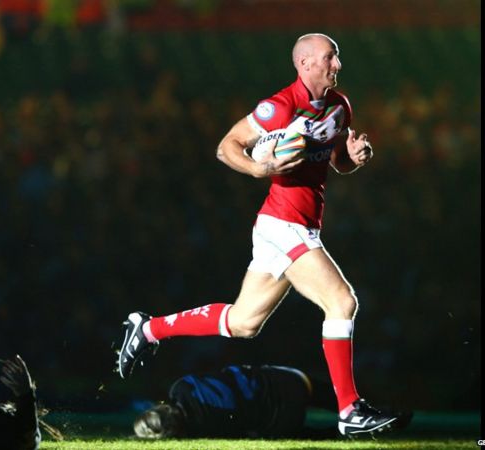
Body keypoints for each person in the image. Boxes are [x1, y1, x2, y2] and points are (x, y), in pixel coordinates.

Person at [117, 33, 403, 438]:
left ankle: (147, 329)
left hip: (290, 225)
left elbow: (336, 160)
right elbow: (226, 146)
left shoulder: (340, 106)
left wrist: (353, 158)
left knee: (243, 322)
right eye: (329, 58)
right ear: (304, 64)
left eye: (336, 57)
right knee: (342, 302)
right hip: (284, 223)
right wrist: (258, 168)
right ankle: (349, 410)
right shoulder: (279, 107)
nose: (337, 65)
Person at [133, 364, 411, 439]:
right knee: (343, 401)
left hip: (281, 421)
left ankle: (348, 433)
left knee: (324, 435)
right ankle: (385, 412)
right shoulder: (180, 386)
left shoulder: (203, 427)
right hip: (287, 381)